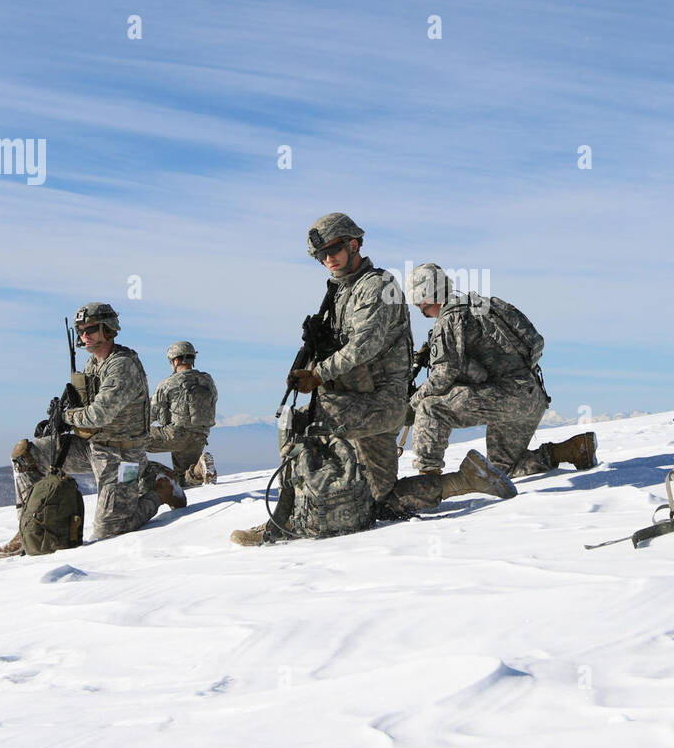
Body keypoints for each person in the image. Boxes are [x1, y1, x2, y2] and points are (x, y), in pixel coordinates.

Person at [230, 215, 513, 546]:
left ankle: (282, 521)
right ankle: (466, 480)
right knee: (383, 499)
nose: (327, 260)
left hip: (378, 403)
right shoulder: (342, 291)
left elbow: (366, 344)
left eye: (333, 250)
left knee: (302, 424)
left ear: (353, 245)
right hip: (364, 401)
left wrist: (318, 374)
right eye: (321, 255)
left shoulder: (378, 287)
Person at [388, 263, 597, 512]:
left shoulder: (450, 318)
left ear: (428, 296)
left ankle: (428, 484)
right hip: (532, 395)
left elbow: (444, 375)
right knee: (506, 468)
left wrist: (411, 404)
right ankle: (573, 450)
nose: (420, 309)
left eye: (419, 303)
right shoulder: (483, 305)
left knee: (431, 408)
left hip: (506, 396)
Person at [0, 302, 186, 558]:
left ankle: (159, 489)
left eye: (91, 329)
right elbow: (85, 409)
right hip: (94, 447)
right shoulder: (92, 365)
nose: (84, 335)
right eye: (80, 330)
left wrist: (68, 417)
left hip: (122, 455)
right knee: (25, 454)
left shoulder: (122, 365)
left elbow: (99, 413)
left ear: (108, 329)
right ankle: (31, 527)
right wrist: (57, 419)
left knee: (110, 529)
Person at [145, 341, 218, 487]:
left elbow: (149, 413)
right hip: (199, 436)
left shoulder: (169, 383)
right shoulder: (207, 380)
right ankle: (199, 469)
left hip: (175, 434)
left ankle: (131, 480)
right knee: (183, 478)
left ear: (176, 360)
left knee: (131, 439)